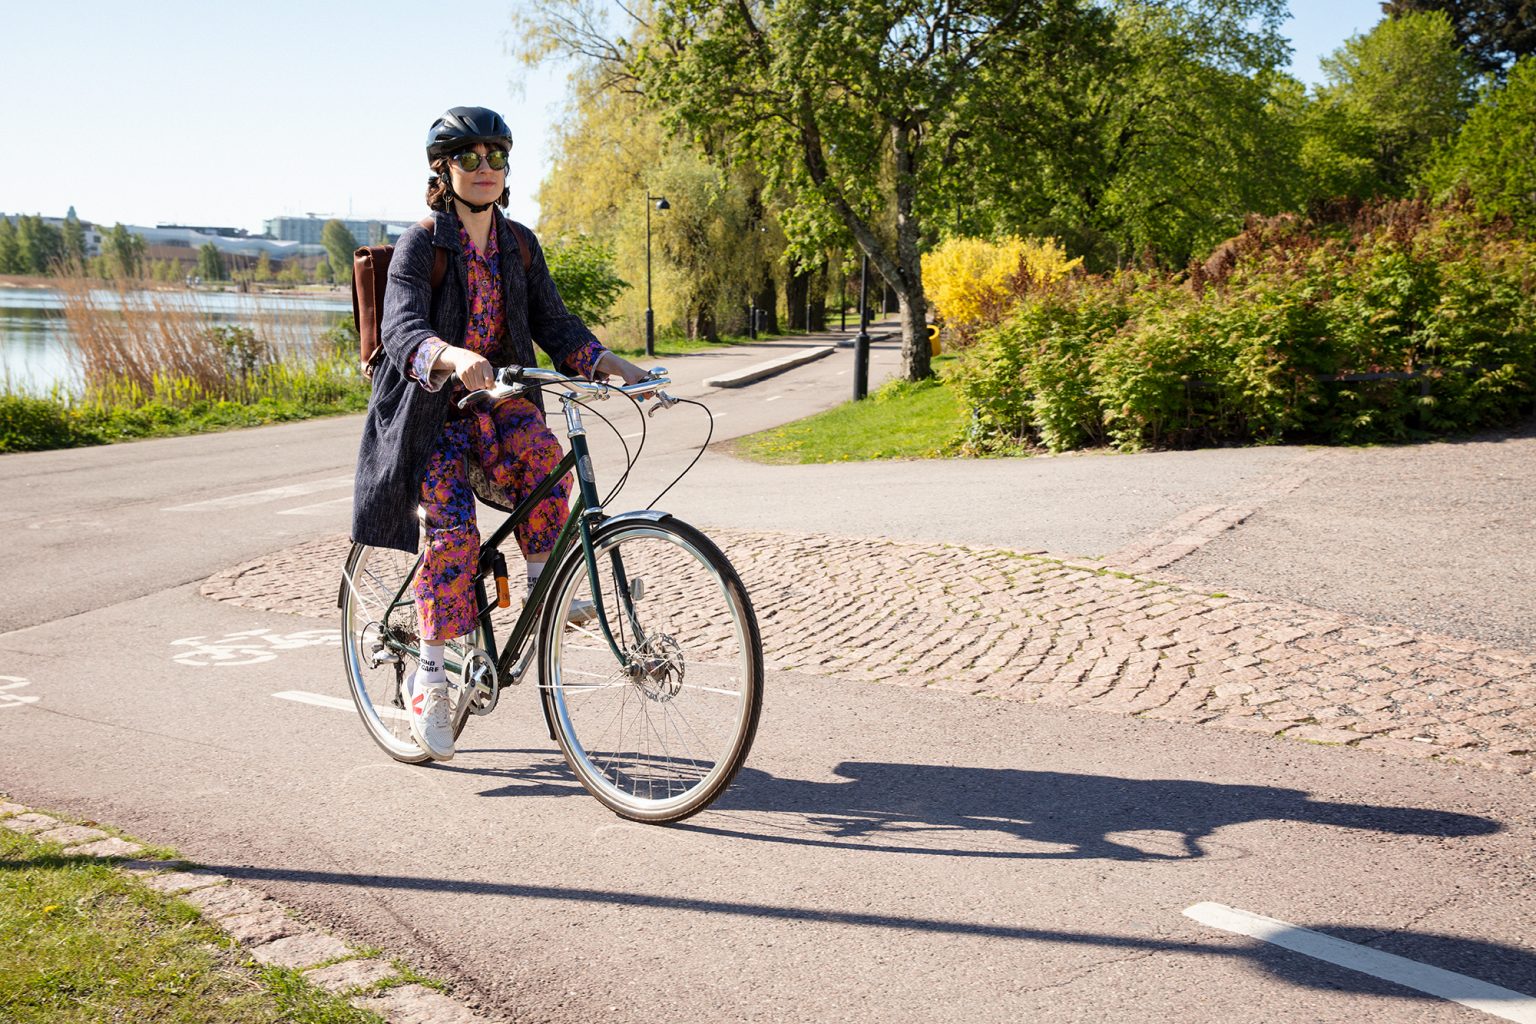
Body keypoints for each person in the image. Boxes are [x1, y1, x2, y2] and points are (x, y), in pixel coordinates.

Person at [350, 105, 649, 762]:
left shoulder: (518, 244)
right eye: (468, 157)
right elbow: (400, 331)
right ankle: (429, 675)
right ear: (442, 169)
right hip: (431, 417)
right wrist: (452, 356)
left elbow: (556, 323)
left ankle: (544, 582)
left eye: (496, 157)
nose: (485, 169)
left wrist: (610, 364)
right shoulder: (420, 245)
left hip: (500, 405)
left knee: (548, 455)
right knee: (452, 535)